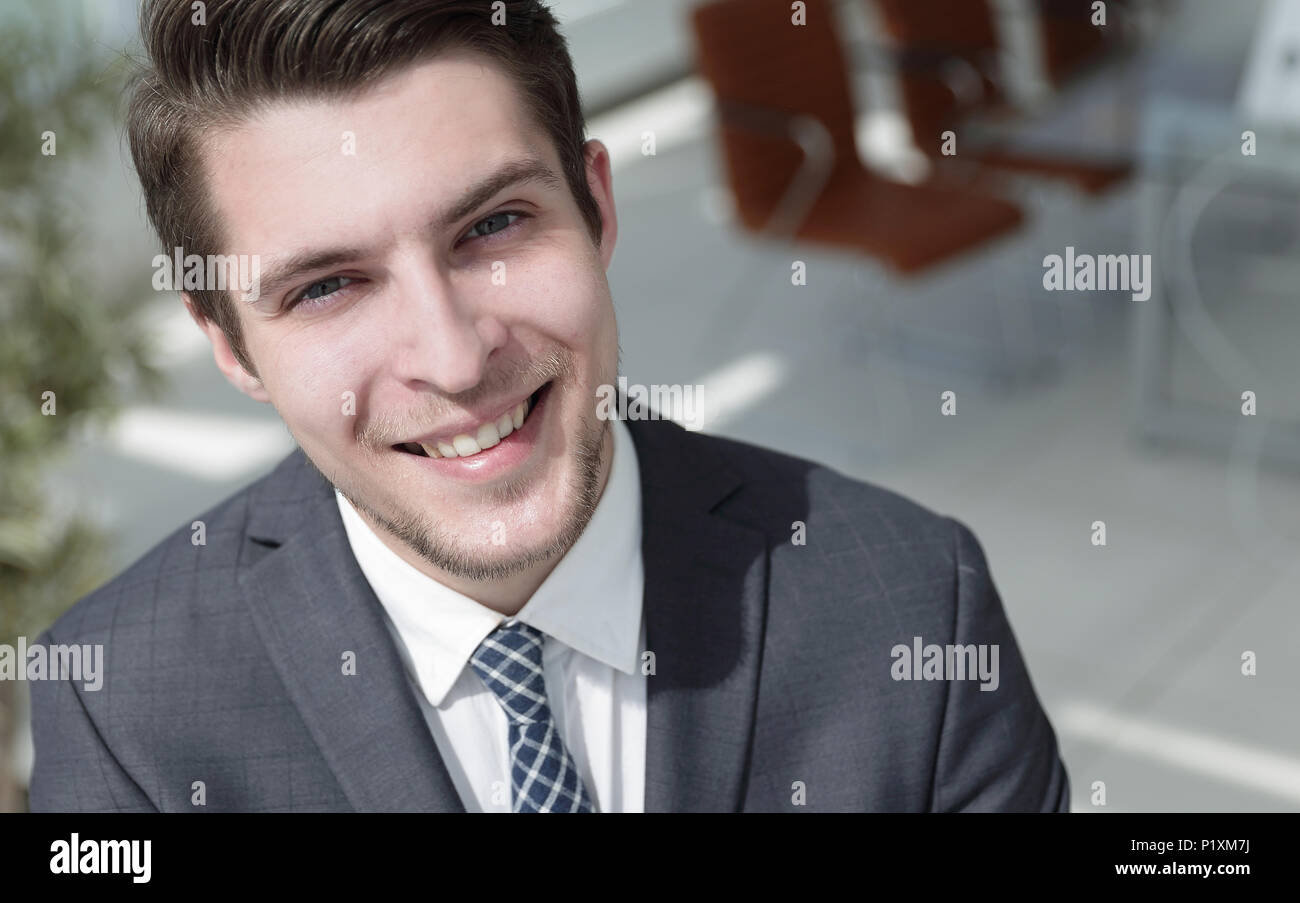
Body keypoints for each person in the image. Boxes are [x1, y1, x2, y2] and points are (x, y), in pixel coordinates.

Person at [29, 0, 1069, 812]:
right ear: (229, 344)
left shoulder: (914, 606)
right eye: (327, 286)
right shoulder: (123, 703)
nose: (451, 356)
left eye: (492, 226)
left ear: (597, 207)